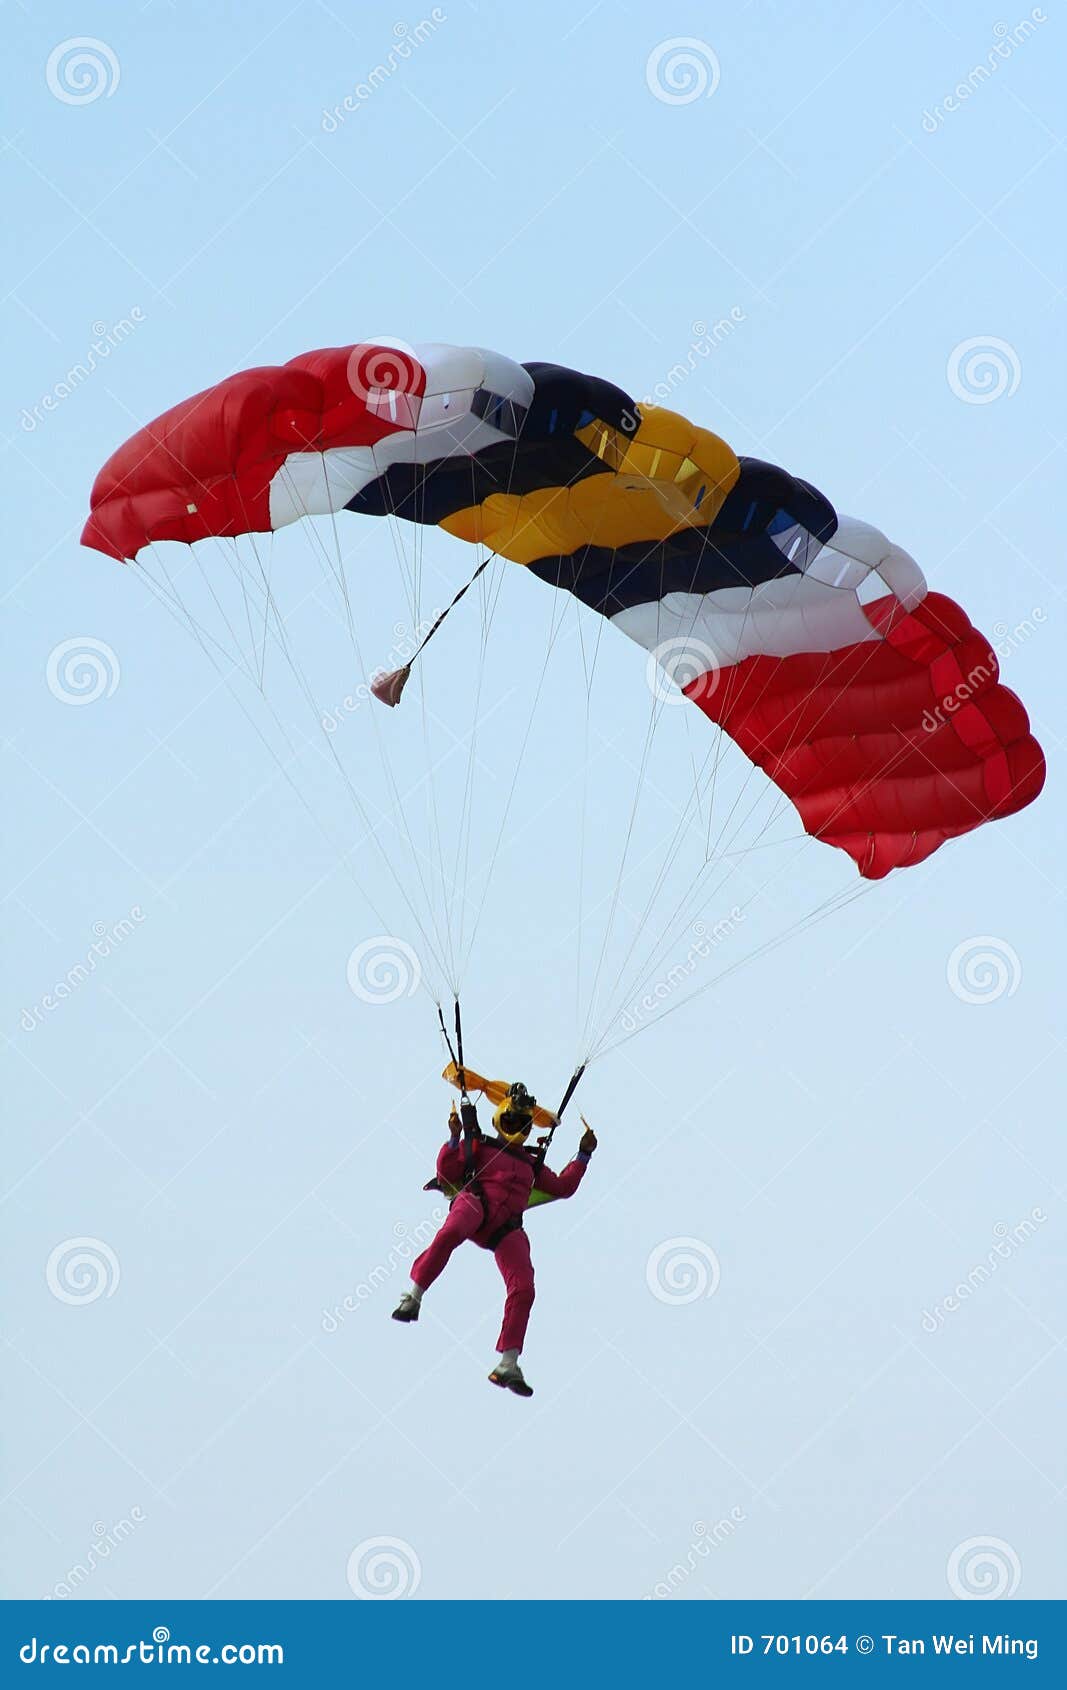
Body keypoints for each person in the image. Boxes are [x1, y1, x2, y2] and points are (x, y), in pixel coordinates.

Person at [392, 1084, 596, 1396]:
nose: (517, 1128)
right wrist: (454, 1137)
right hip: (476, 1203)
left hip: (507, 1228)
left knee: (524, 1287)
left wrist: (583, 1155)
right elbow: (447, 1170)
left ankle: (508, 1364)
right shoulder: (480, 1148)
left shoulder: (532, 1166)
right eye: (513, 1121)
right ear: (501, 1119)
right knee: (450, 1233)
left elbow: (563, 1187)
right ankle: (413, 1296)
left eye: (523, 1124)